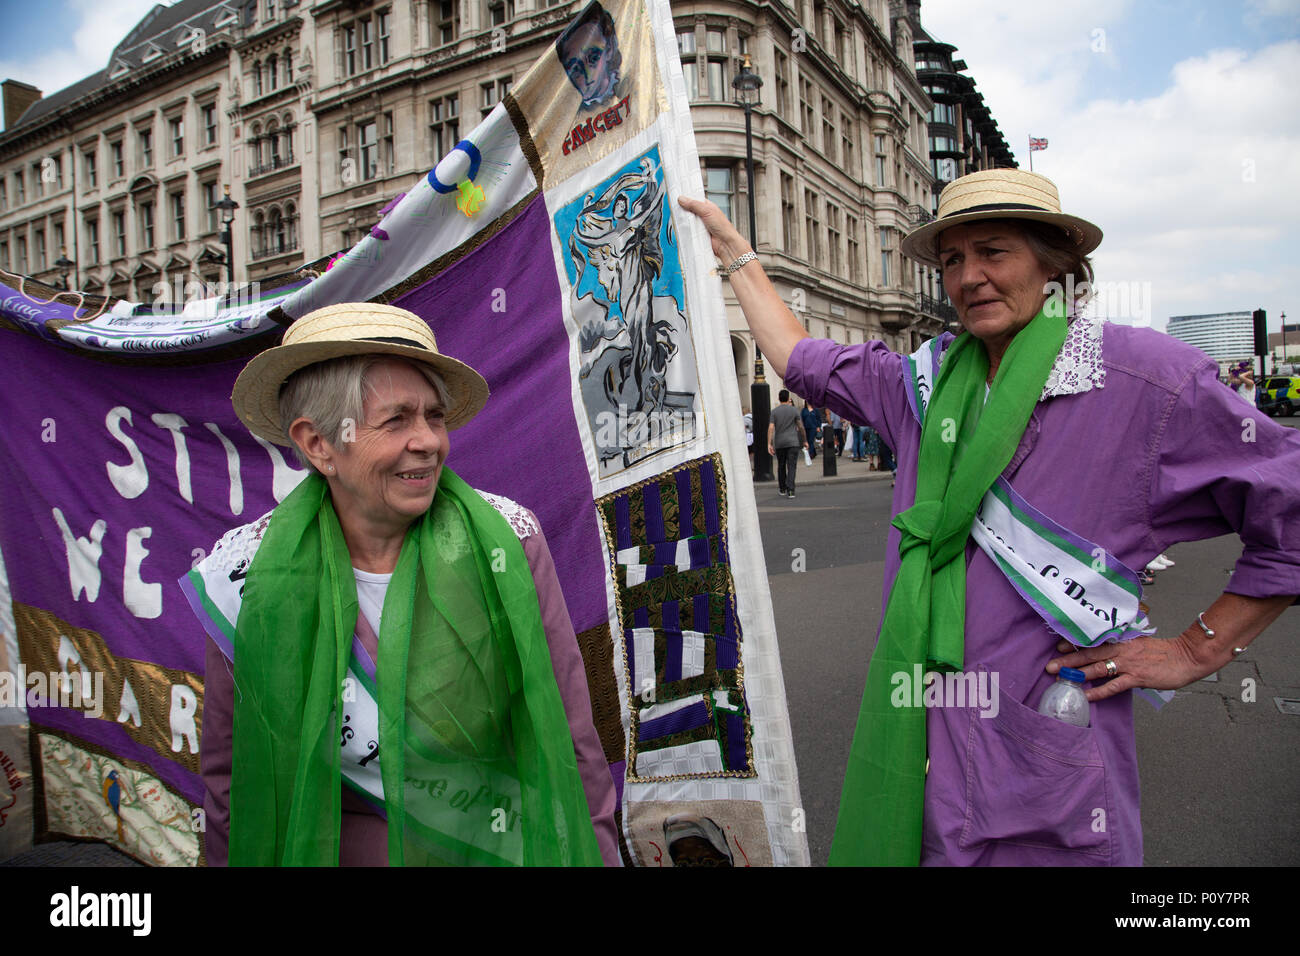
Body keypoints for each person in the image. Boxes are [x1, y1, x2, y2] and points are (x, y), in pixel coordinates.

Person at [680, 169, 1300, 866]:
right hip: (928, 735)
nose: (968, 276)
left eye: (994, 252)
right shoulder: (924, 381)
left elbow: (1291, 501)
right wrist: (736, 253)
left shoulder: (1142, 379)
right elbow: (800, 358)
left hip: (1052, 742)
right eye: (951, 260)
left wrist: (1198, 651)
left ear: (1055, 264)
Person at [181, 303, 618, 866]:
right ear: (317, 444)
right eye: (396, 421)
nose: (429, 442)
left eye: (434, 417)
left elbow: (571, 735)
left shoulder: (506, 544)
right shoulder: (252, 576)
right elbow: (233, 777)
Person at [769, 389, 806, 498]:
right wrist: (804, 440)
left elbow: (771, 428)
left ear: (779, 398)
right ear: (788, 398)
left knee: (781, 465)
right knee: (791, 466)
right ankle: (791, 489)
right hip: (793, 442)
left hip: (780, 442)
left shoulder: (774, 412)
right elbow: (801, 427)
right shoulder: (794, 410)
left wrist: (769, 443)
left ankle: (782, 488)